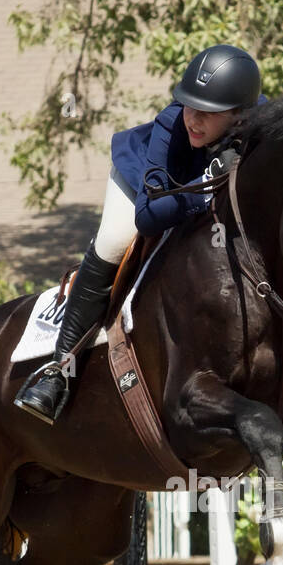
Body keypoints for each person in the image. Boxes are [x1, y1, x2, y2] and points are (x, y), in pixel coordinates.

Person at [15, 43, 263, 424]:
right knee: (114, 241)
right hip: (143, 184)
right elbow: (149, 217)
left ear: (240, 115)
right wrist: (208, 180)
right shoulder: (170, 125)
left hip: (188, 189)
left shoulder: (261, 122)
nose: (192, 119)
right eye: (189, 105)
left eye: (207, 113)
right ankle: (57, 372)